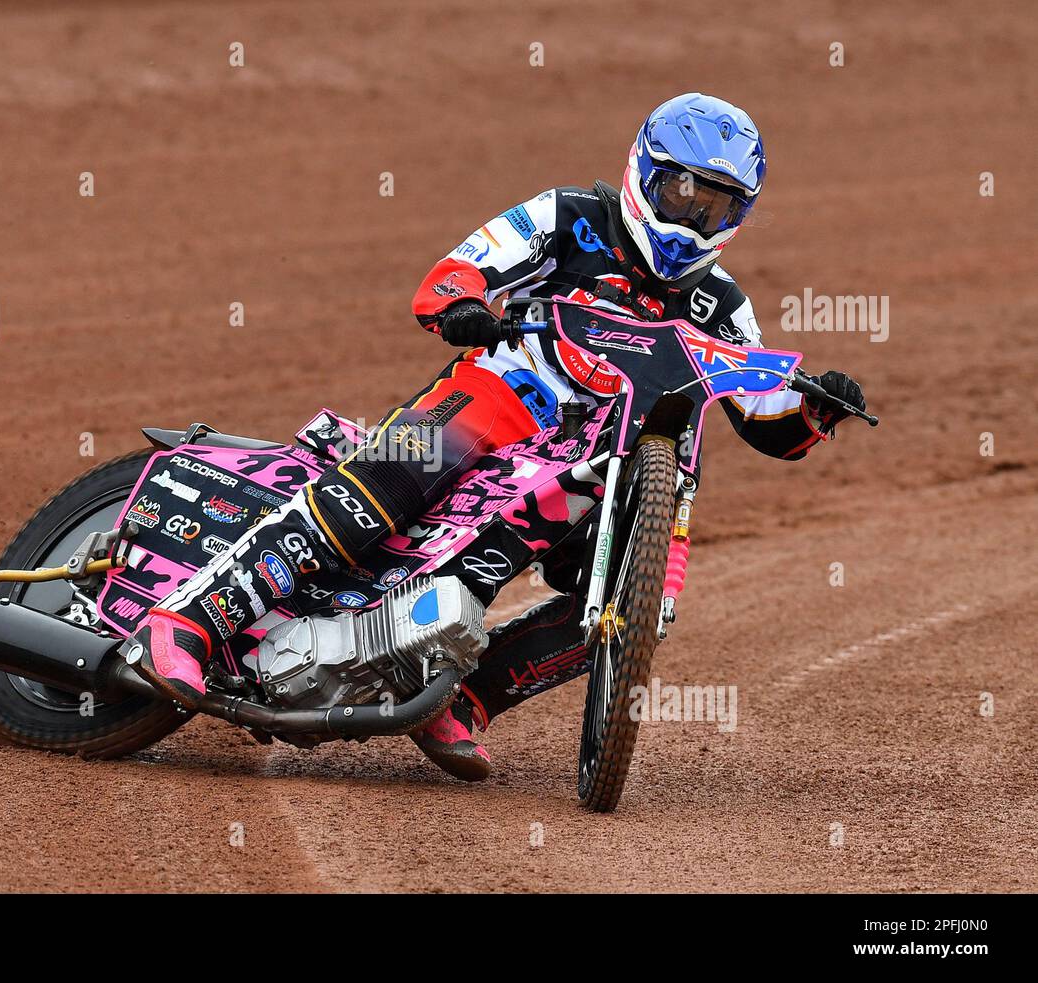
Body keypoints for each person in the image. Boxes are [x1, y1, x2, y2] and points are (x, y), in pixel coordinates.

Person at [127, 93, 866, 781]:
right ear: (647, 172)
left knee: (635, 604)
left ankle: (463, 700)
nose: (696, 215)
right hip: (499, 395)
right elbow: (458, 271)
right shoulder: (572, 214)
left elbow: (768, 419)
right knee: (386, 484)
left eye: (718, 203)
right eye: (683, 193)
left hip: (602, 461)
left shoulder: (722, 304)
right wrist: (464, 305)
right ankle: (189, 620)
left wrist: (817, 409)